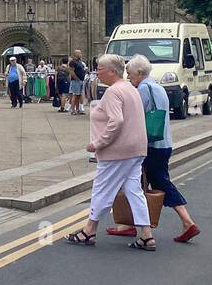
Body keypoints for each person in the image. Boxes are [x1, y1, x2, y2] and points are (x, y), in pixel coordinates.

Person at [106, 55, 200, 244]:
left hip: (150, 145)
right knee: (139, 183)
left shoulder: (143, 89)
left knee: (156, 183)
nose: (128, 76)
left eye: (130, 73)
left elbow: (135, 116)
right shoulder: (157, 86)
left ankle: (187, 222)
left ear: (139, 73)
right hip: (164, 142)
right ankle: (130, 224)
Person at [65, 54, 155, 250]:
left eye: (100, 68)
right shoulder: (131, 88)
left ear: (112, 71)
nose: (96, 72)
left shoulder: (113, 92)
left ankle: (89, 231)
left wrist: (97, 143)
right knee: (134, 191)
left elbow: (116, 121)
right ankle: (147, 235)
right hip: (136, 149)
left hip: (117, 151)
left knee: (101, 190)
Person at [68, 49, 87, 115]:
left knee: (78, 96)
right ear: (76, 54)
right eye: (80, 53)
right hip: (76, 81)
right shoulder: (73, 62)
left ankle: (78, 109)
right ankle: (73, 110)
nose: (81, 54)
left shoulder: (80, 62)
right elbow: (72, 71)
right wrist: (77, 79)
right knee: (75, 95)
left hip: (81, 80)